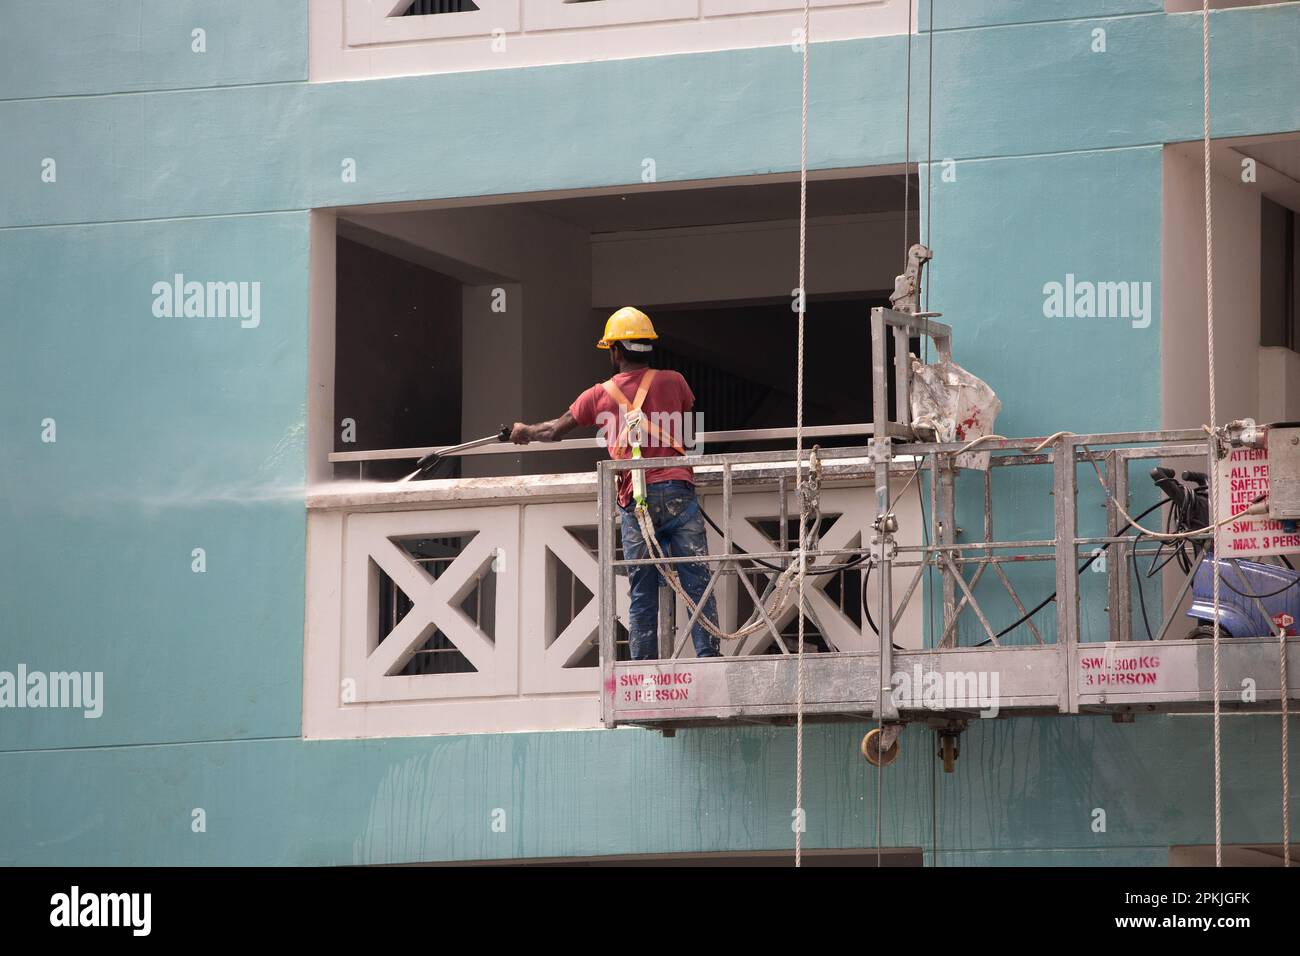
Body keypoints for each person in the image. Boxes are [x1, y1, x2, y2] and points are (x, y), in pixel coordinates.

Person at [509, 306, 721, 660]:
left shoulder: (598, 394)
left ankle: (642, 676)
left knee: (642, 591)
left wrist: (523, 432)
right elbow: (684, 427)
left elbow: (554, 431)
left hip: (635, 498)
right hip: (677, 493)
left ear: (616, 350)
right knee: (697, 581)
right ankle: (710, 663)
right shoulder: (675, 381)